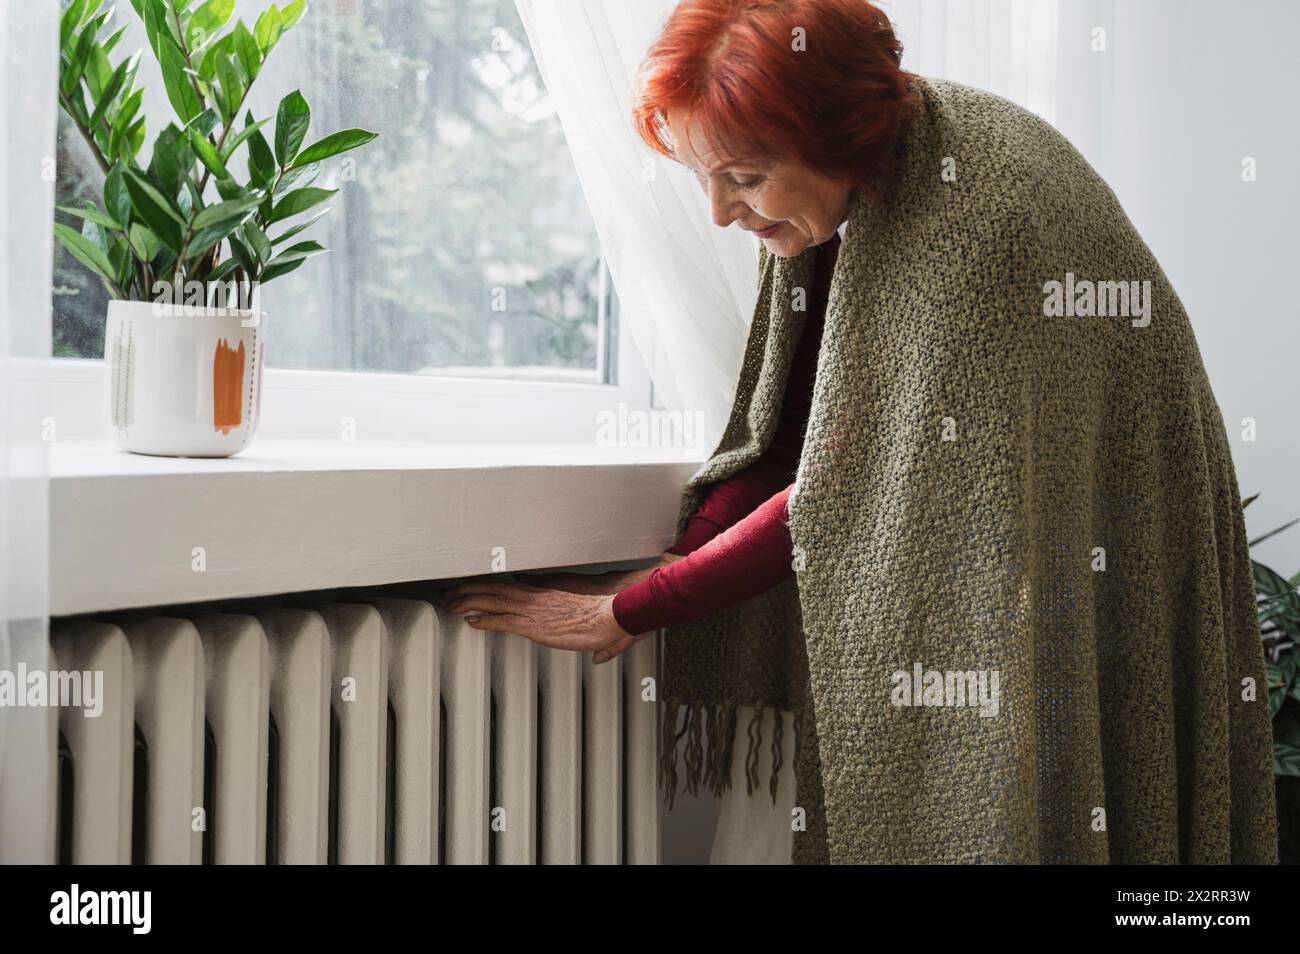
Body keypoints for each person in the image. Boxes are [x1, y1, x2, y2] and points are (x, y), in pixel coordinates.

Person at [442, 0, 1278, 863]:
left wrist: (631, 608)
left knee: (1038, 784)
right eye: (703, 176)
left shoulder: (969, 224)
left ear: (835, 137)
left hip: (1120, 517)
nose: (722, 214)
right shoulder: (857, 188)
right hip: (1044, 500)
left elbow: (846, 489)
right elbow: (793, 429)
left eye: (745, 175)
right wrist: (679, 562)